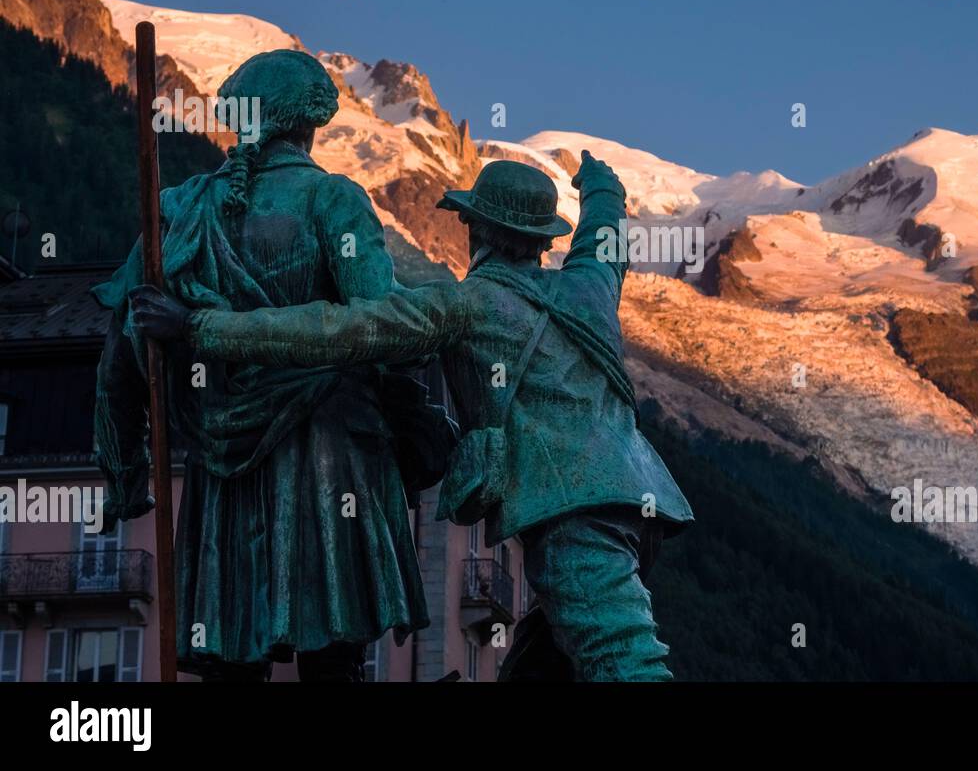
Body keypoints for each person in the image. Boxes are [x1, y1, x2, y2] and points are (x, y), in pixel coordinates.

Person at [131, 152, 694, 681]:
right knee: (538, 668)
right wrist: (600, 185)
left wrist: (198, 327)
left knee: (622, 659)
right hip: (639, 507)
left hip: (573, 513)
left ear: (476, 231)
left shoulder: (460, 306)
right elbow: (605, 235)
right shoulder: (589, 288)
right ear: (542, 239)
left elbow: (333, 330)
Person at [94, 49, 448, 681]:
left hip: (224, 470)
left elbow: (122, 351)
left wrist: (125, 475)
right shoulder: (334, 199)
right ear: (308, 125)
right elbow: (379, 324)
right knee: (333, 656)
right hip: (330, 453)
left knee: (230, 657)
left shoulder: (178, 211)